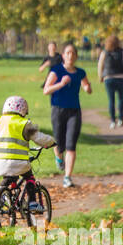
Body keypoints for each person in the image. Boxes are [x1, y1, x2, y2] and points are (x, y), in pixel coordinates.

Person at [0, 95, 56, 214]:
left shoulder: (1, 122)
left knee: (9, 176)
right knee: (29, 176)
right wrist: (52, 141)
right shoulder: (24, 123)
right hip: (19, 162)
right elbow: (39, 138)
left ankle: (0, 193)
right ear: (23, 110)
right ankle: (32, 202)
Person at [42, 43, 92, 187]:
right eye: (68, 53)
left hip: (74, 111)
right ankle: (59, 158)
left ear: (76, 56)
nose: (70, 55)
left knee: (71, 145)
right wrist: (61, 84)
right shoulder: (56, 70)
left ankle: (67, 177)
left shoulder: (80, 72)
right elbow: (46, 90)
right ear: (63, 56)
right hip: (58, 110)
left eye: (73, 53)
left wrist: (87, 88)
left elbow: (87, 86)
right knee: (58, 143)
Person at [98, 34, 123, 128]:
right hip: (120, 77)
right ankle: (120, 119)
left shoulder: (104, 52)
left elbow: (100, 65)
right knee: (120, 99)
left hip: (108, 78)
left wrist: (100, 76)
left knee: (111, 100)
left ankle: (112, 120)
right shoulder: (122, 52)